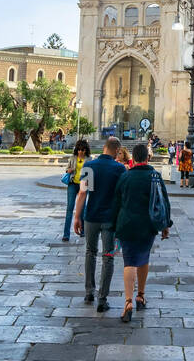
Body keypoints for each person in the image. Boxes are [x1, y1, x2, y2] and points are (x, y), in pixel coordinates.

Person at [112, 143, 172, 322]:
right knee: (144, 258)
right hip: (148, 225)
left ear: (134, 158)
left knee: (129, 262)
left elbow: (116, 202)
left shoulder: (125, 176)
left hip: (127, 224)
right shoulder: (154, 176)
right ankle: (141, 295)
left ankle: (128, 302)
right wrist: (165, 225)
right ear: (147, 157)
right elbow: (164, 202)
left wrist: (114, 226)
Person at [72, 136, 127, 313]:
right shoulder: (119, 169)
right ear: (117, 151)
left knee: (90, 252)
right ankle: (102, 299)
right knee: (108, 256)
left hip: (91, 216)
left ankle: (89, 292)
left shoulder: (90, 166)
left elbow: (82, 193)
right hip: (110, 219)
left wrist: (77, 216)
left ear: (103, 148)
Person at [62, 140, 91, 242]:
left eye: (82, 150)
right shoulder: (72, 158)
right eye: (78, 149)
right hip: (72, 184)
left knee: (82, 208)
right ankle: (66, 234)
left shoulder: (89, 159)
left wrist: (89, 187)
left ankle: (82, 230)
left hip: (83, 184)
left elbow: (91, 174)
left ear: (86, 150)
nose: (80, 152)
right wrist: (68, 170)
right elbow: (67, 169)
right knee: (69, 208)